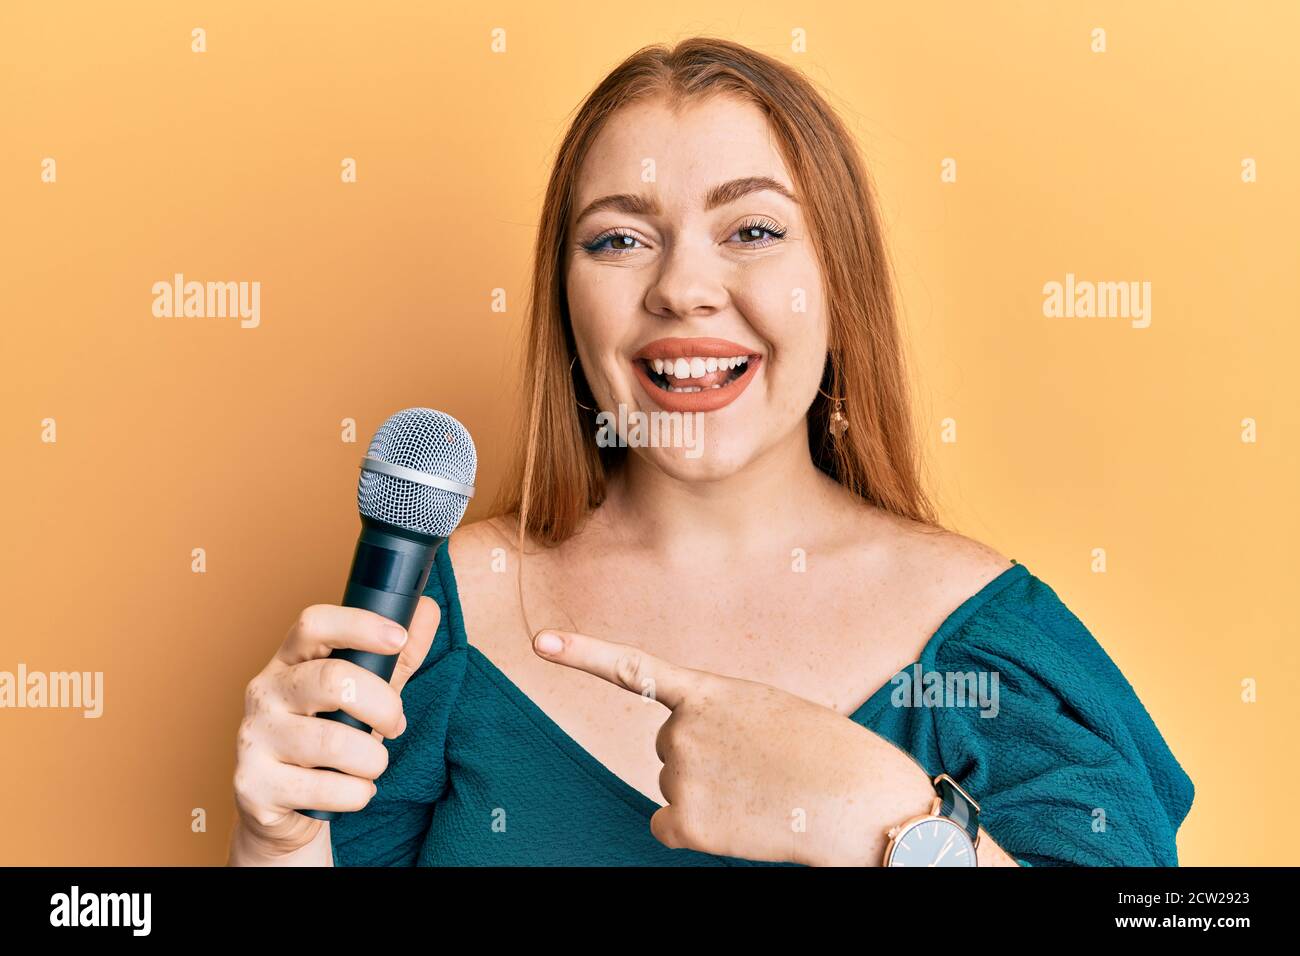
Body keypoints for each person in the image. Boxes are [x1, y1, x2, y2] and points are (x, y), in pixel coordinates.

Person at [228, 37, 1194, 867]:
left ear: (840, 281)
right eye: (618, 241)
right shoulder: (438, 621)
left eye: (754, 229)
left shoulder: (993, 649)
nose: (683, 287)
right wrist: (275, 846)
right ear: (566, 300)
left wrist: (883, 826)